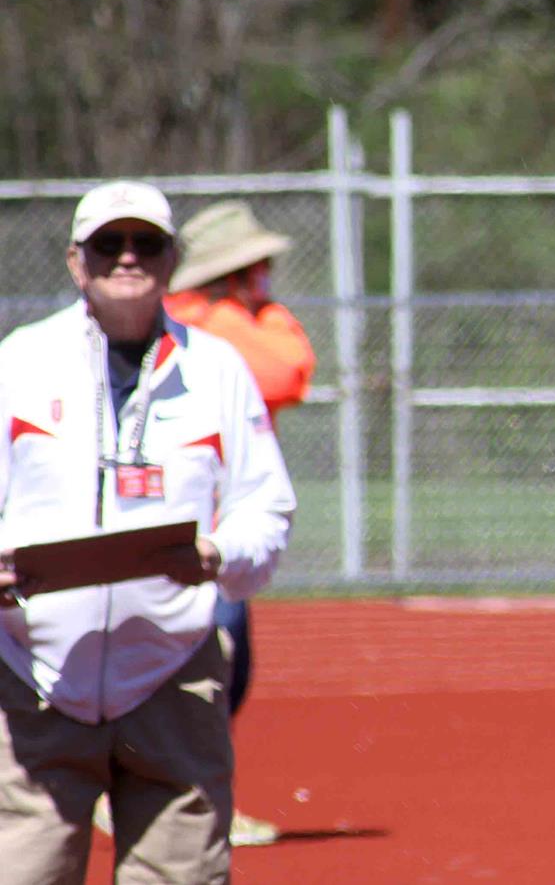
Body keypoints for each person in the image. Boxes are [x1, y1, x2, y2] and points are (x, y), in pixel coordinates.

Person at [0, 181, 296, 883]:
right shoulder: (18, 363)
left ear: (172, 260)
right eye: (108, 244)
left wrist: (221, 553)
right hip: (33, 676)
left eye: (146, 243)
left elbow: (267, 509)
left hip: (173, 672)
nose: (126, 258)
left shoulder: (218, 369)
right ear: (77, 261)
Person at [160, 200, 316, 848]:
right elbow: (291, 367)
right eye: (257, 273)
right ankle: (194, 803)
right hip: (195, 535)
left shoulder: (218, 322)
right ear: (228, 277)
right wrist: (256, 310)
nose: (268, 285)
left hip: (226, 533)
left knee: (227, 672)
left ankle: (180, 795)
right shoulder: (207, 325)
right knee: (208, 676)